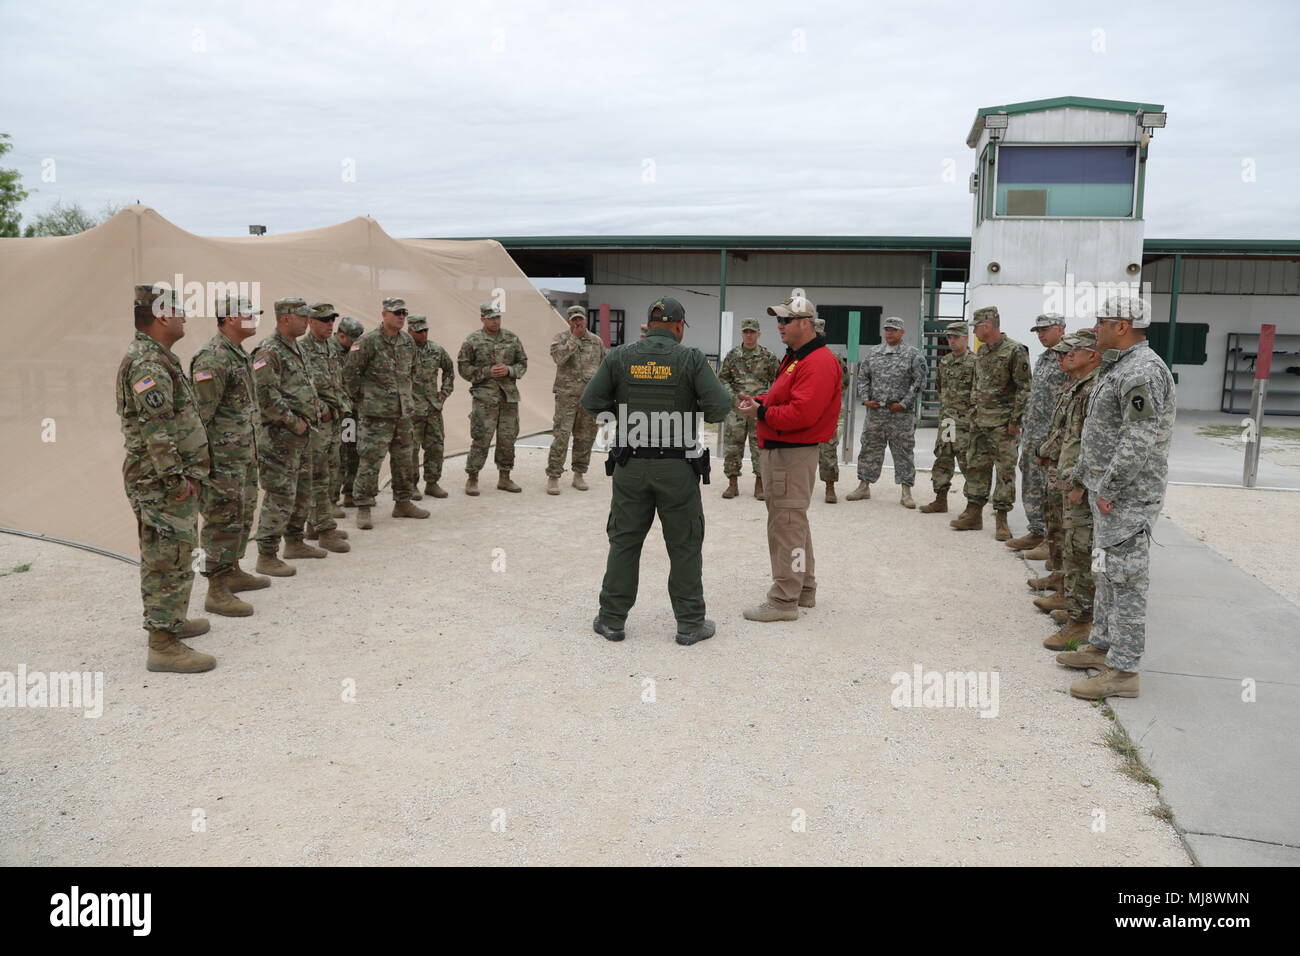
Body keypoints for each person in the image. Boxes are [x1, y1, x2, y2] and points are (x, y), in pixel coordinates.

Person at [581, 296, 732, 645]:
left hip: (630, 465)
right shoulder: (691, 358)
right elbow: (719, 408)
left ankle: (611, 620)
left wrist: (621, 411)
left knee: (624, 541)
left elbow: (591, 401)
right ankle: (690, 624)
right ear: (679, 326)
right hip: (677, 468)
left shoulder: (619, 356)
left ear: (649, 326)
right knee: (684, 544)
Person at [1057, 295, 1176, 700]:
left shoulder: (1142, 370)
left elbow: (1137, 438)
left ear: (1122, 326)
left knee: (1126, 580)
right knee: (1105, 571)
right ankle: (1103, 646)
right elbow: (1099, 433)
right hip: (1106, 492)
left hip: (1127, 497)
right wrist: (1081, 478)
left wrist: (1108, 487)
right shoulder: (1119, 366)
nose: (1095, 328)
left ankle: (1124, 672)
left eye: (1102, 321)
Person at [117, 284, 214, 673]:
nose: (185, 315)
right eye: (179, 309)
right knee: (165, 556)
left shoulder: (160, 357)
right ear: (161, 315)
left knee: (176, 553)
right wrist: (175, 480)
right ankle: (162, 642)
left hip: (169, 479)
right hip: (159, 482)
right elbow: (156, 432)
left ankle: (171, 621)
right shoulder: (149, 364)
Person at [736, 295, 842, 622]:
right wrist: (759, 400)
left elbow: (802, 413)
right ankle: (803, 588)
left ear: (806, 323)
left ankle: (784, 599)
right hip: (784, 449)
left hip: (791, 452)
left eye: (786, 320)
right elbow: (784, 395)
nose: (779, 326)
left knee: (787, 523)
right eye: (779, 320)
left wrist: (762, 412)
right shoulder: (798, 358)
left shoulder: (817, 362)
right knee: (793, 520)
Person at [191, 295, 268, 618]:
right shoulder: (213, 358)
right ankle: (216, 589)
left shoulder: (239, 354)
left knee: (242, 512)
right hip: (222, 460)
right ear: (230, 318)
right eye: (249, 315)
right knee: (221, 519)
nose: (255, 319)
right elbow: (201, 416)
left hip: (243, 455)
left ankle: (233, 569)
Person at [1037, 329, 1102, 651]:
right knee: (1067, 539)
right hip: (1065, 473)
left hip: (1080, 480)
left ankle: (1081, 622)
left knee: (1080, 548)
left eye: (1071, 352)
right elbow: (1066, 432)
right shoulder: (1076, 386)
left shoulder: (1095, 388)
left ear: (1092, 354)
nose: (1064, 357)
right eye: (1062, 353)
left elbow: (1092, 441)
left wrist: (1079, 481)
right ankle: (1068, 598)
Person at [251, 298, 324, 571]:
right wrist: (294, 422)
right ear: (284, 319)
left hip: (302, 436)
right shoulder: (268, 352)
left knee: (302, 491)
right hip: (278, 438)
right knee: (280, 494)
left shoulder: (296, 348)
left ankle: (294, 542)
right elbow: (265, 397)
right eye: (302, 316)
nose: (307, 321)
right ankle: (266, 555)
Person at [345, 297, 427, 528]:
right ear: (384, 314)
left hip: (403, 414)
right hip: (375, 415)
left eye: (404, 312)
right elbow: (350, 374)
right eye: (396, 312)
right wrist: (364, 401)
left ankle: (403, 502)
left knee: (404, 461)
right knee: (370, 461)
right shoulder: (368, 341)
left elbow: (413, 370)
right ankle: (364, 506)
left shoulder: (407, 342)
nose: (401, 316)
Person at [950, 306, 1031, 539]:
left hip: (1003, 425)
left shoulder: (1015, 350)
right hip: (980, 422)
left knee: (1004, 471)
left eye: (975, 326)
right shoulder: (983, 351)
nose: (973, 331)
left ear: (987, 326)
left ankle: (1002, 519)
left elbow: (1024, 388)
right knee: (976, 467)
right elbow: (978, 385)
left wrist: (1015, 420)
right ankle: (973, 513)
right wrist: (974, 412)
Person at [845, 316, 927, 508]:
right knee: (869, 449)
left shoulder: (913, 354)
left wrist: (905, 403)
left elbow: (919, 382)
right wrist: (865, 398)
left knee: (904, 451)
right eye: (887, 329)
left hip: (900, 414)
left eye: (894, 330)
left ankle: (906, 492)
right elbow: (863, 377)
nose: (889, 333)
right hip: (876, 413)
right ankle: (863, 486)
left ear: (902, 332)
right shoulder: (874, 353)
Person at [1006, 313, 1069, 556]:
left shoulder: (1069, 357)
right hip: (1033, 433)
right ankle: (1037, 530)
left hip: (1052, 436)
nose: (1040, 334)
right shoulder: (1044, 358)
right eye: (1038, 331)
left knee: (1049, 487)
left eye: (1045, 329)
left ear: (1061, 329)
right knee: (1031, 482)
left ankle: (1052, 542)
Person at [458, 302, 528, 495]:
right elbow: (463, 368)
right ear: (482, 318)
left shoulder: (511, 338)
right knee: (481, 438)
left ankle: (504, 478)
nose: (495, 321)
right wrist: (487, 372)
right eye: (491, 318)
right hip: (484, 399)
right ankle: (472, 478)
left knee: (508, 438)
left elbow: (522, 363)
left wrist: (509, 370)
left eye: (497, 317)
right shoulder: (472, 340)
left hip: (509, 398)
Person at [301, 303, 351, 552]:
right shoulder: (302, 349)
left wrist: (343, 405)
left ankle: (315, 524)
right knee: (318, 475)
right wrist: (321, 409)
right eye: (324, 320)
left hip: (335, 420)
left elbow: (337, 380)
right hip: (318, 421)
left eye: (332, 319)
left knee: (331, 470)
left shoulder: (332, 347)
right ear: (310, 322)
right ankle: (325, 530)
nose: (330, 324)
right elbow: (300, 387)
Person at [718, 318, 779, 500]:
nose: (749, 334)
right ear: (742, 333)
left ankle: (759, 485)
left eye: (752, 331)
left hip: (758, 409)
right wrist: (734, 398)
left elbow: (778, 381)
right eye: (746, 331)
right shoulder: (733, 355)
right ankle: (732, 484)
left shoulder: (768, 357)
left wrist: (766, 399)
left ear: (759, 334)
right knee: (732, 447)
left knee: (759, 446)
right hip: (737, 409)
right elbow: (723, 378)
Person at [546, 305, 605, 494]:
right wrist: (574, 339)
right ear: (569, 321)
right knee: (561, 437)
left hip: (588, 399)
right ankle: (553, 476)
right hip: (566, 397)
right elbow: (559, 359)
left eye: (581, 319)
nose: (578, 322)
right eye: (574, 320)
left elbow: (604, 368)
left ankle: (579, 474)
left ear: (586, 320)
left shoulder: (596, 342)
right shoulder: (560, 339)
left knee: (585, 437)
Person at [919, 321, 975, 514]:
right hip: (947, 422)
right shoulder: (945, 361)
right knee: (943, 459)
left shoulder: (975, 363)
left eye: (955, 337)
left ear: (965, 338)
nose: (951, 341)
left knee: (968, 463)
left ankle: (972, 507)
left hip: (966, 424)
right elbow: (940, 387)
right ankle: (940, 499)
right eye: (949, 338)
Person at [406, 314, 456, 500]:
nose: (424, 334)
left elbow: (449, 369)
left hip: (433, 409)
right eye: (420, 331)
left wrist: (444, 392)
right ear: (410, 331)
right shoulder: (402, 350)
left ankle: (432, 483)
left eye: (426, 330)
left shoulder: (436, 349)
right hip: (411, 410)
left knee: (436, 447)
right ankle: (411, 485)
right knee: (411, 450)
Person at [813, 317, 849, 503]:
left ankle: (829, 487)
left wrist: (827, 399)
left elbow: (844, 383)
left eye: (819, 334)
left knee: (828, 451)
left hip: (825, 414)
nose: (815, 336)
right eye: (813, 333)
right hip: (802, 413)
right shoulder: (797, 357)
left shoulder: (833, 358)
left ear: (823, 335)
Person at [333, 316, 364, 507]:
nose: (357, 343)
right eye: (354, 339)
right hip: (337, 415)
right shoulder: (328, 351)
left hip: (352, 414)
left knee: (353, 452)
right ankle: (332, 499)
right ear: (342, 336)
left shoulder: (355, 350)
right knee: (338, 455)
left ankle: (350, 493)